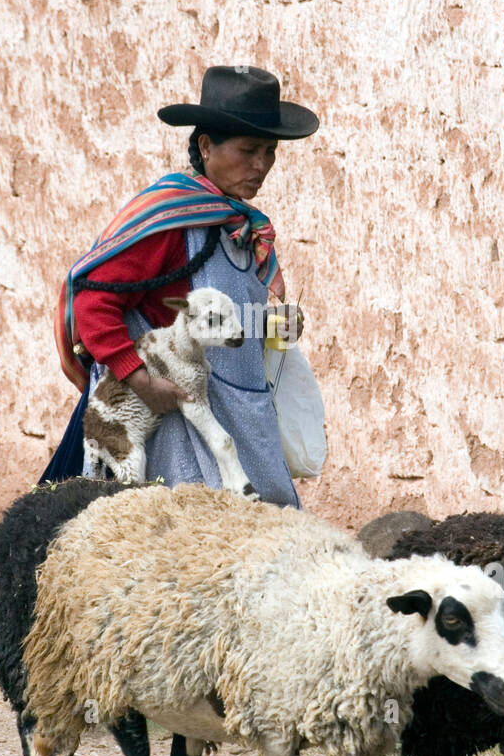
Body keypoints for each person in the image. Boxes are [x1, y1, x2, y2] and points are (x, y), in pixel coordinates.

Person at [41, 65, 319, 505]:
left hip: (245, 425)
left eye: (269, 151)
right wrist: (143, 382)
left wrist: (272, 325)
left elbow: (220, 330)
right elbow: (94, 302)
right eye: (249, 150)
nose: (261, 165)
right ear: (206, 146)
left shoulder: (238, 226)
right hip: (177, 431)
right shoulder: (169, 224)